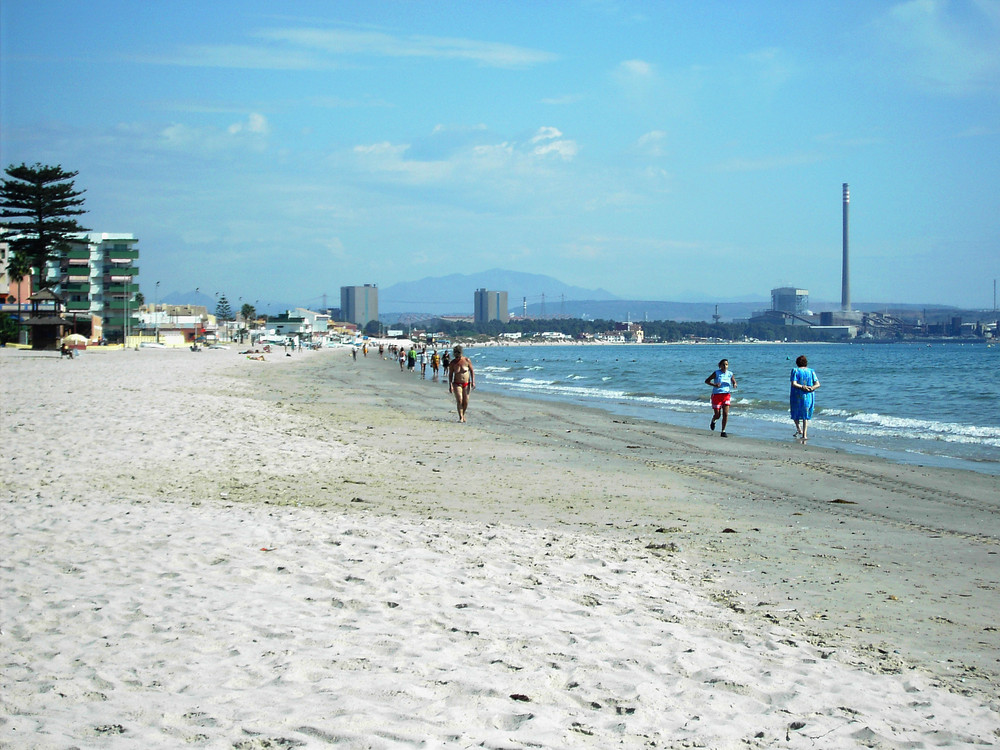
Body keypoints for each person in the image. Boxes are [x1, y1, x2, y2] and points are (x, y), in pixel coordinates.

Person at [790, 355, 820, 440]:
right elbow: (818, 384)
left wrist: (803, 387)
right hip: (809, 395)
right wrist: (812, 388)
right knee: (805, 415)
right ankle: (804, 435)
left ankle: (799, 429)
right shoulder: (811, 371)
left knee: (795, 412)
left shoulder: (795, 370)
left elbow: (794, 383)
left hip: (796, 394)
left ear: (797, 363)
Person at [704, 358, 737, 437]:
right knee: (718, 414)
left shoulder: (730, 373)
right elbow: (707, 381)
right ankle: (713, 420)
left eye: (726, 364)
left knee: (725, 414)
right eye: (723, 364)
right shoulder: (716, 373)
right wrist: (715, 385)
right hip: (717, 395)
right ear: (720, 366)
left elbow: (733, 380)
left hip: (726, 395)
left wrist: (734, 384)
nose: (725, 366)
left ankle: (723, 431)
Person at [447, 344, 475, 422]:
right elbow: (450, 374)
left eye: (458, 356)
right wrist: (450, 385)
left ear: (461, 354)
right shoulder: (453, 363)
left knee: (466, 402)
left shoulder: (467, 360)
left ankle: (463, 414)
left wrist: (473, 382)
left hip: (466, 383)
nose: (457, 358)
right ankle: (461, 417)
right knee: (459, 400)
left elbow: (472, 371)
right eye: (456, 356)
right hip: (457, 383)